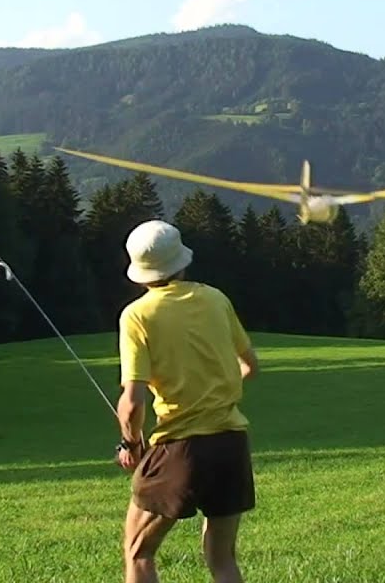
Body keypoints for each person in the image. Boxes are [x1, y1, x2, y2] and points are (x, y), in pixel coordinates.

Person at [113, 219, 260, 583]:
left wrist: (131, 443)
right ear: (181, 260)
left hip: (180, 449)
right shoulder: (215, 298)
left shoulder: (137, 315)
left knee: (139, 552)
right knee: (222, 559)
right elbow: (249, 366)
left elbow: (132, 403)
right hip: (231, 444)